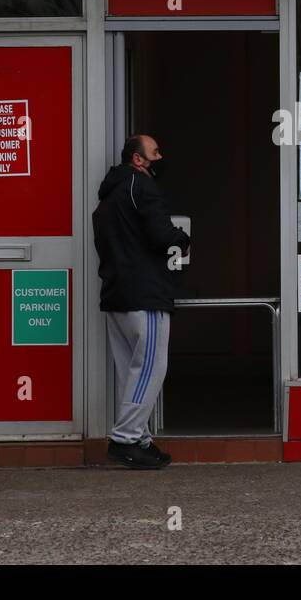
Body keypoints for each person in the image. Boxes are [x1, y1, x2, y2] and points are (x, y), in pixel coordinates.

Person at [93, 135, 191, 470]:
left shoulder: (108, 196)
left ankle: (140, 439)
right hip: (144, 294)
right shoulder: (142, 187)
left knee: (130, 373)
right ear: (138, 159)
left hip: (116, 294)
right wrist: (184, 240)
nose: (160, 157)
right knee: (150, 368)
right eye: (155, 153)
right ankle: (125, 439)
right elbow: (162, 235)